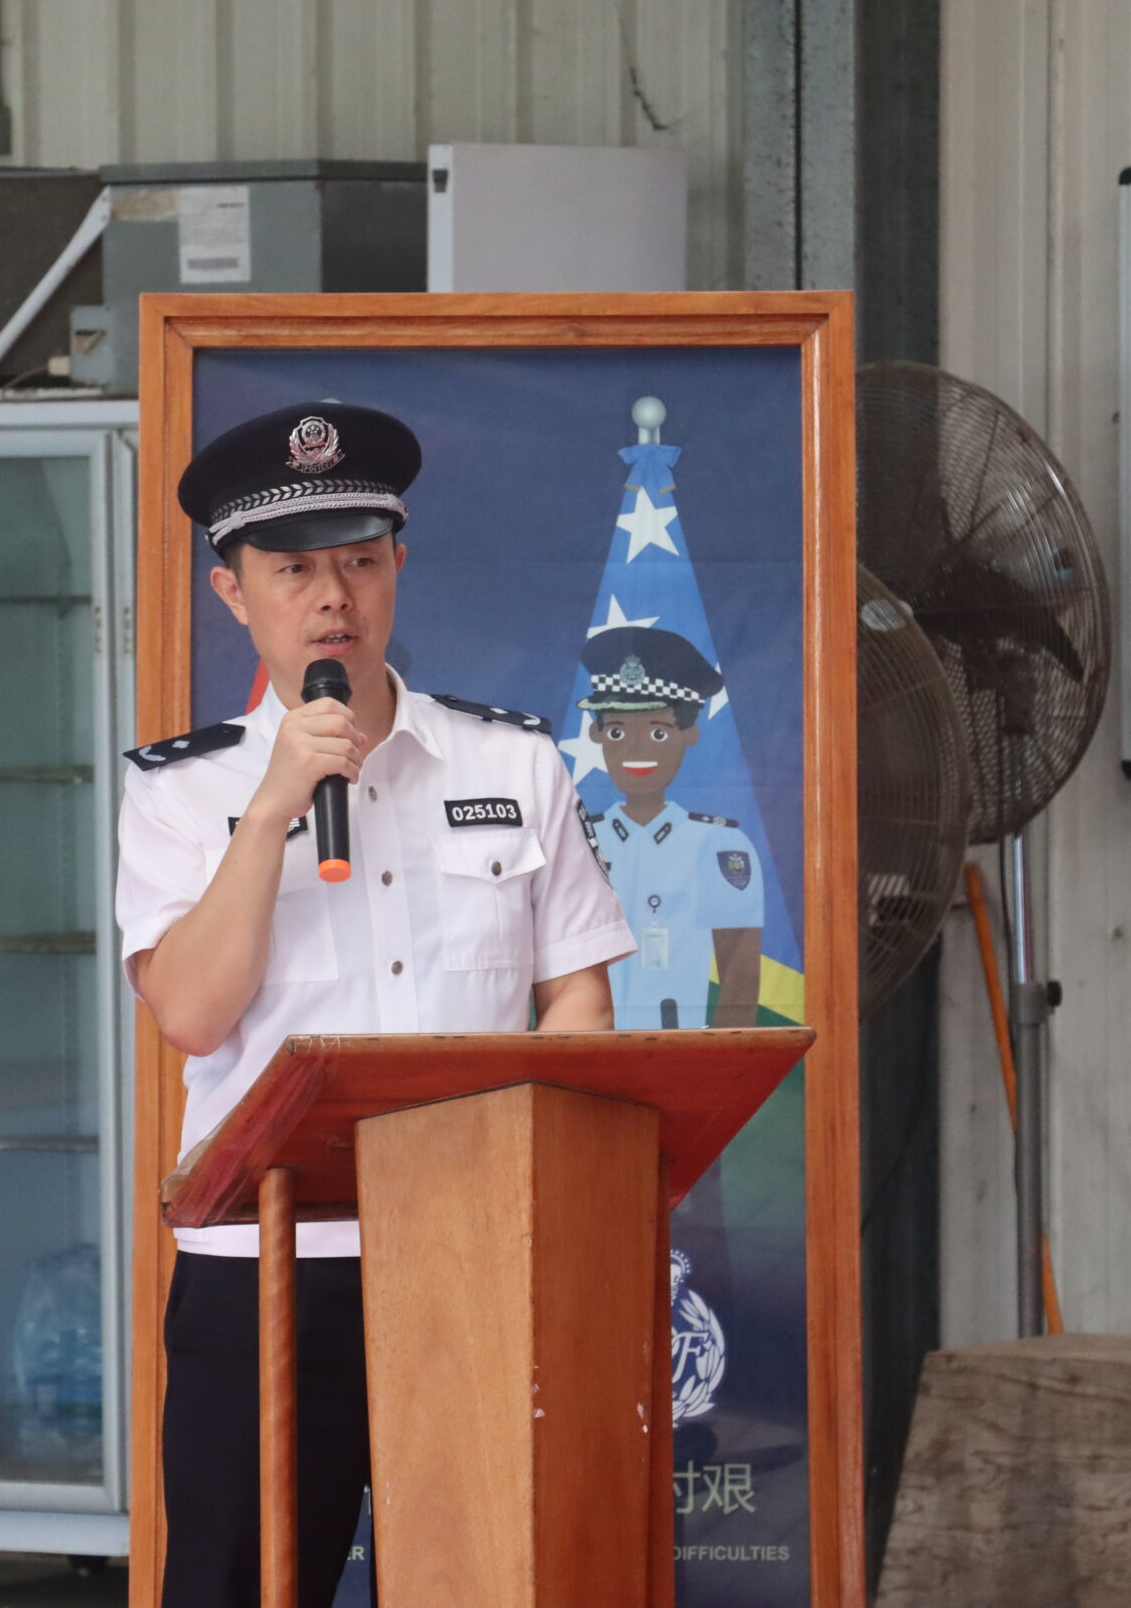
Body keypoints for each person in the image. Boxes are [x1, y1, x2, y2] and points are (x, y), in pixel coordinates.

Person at [115, 401, 638, 1608]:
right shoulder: (180, 794)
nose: (331, 597)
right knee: (236, 1585)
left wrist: (538, 1205)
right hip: (261, 1268)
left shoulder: (511, 765)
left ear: (396, 565)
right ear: (232, 593)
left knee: (491, 1577)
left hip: (474, 1258)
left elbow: (578, 998)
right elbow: (190, 1015)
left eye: (357, 561)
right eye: (292, 569)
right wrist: (272, 812)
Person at [576, 625, 763, 1030]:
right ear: (597, 735)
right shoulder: (576, 841)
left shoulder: (718, 845)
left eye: (658, 732)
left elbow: (740, 979)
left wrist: (722, 1077)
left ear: (689, 734)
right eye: (617, 731)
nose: (636, 748)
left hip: (680, 1056)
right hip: (585, 1055)